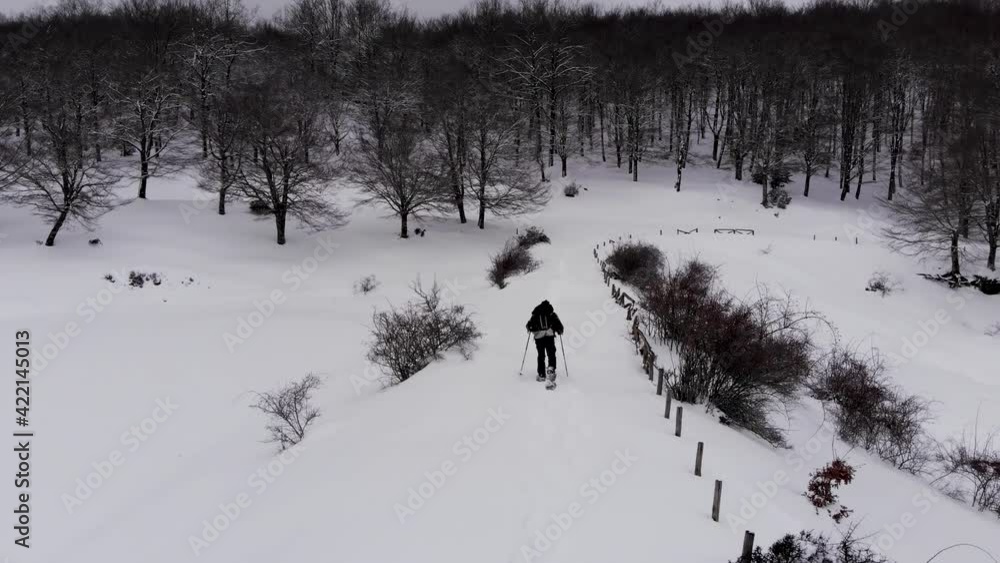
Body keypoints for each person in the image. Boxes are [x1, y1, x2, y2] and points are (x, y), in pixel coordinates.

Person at [525, 300, 564, 388]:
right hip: (549, 335)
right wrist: (559, 330)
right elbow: (559, 325)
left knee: (541, 355)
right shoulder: (551, 313)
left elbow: (528, 325)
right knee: (551, 353)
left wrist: (532, 329)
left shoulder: (536, 313)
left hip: (539, 337)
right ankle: (551, 369)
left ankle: (541, 374)